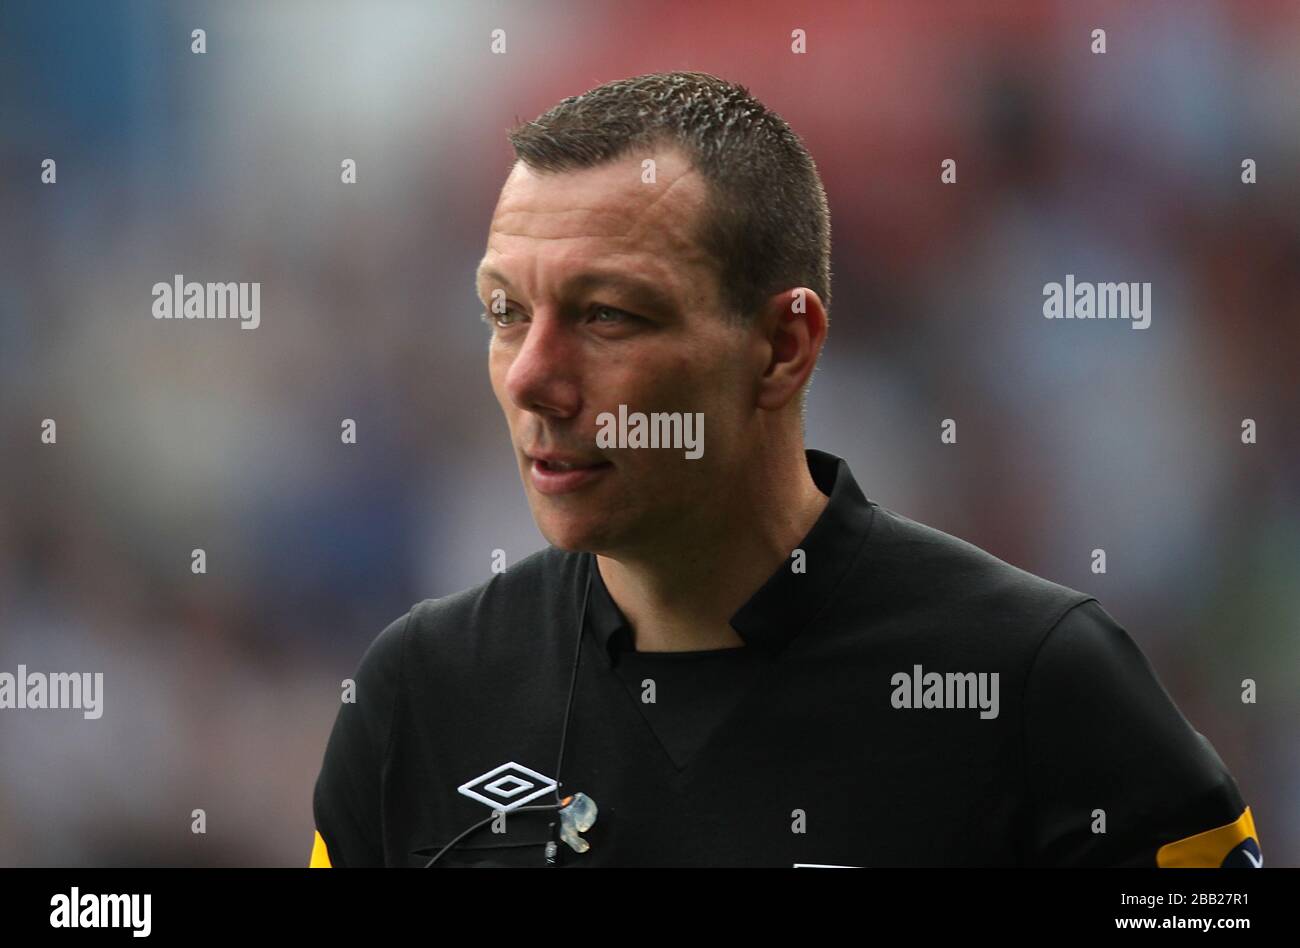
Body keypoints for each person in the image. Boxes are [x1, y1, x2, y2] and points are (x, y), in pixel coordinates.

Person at [310, 71, 1261, 868]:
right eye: (506, 312)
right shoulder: (419, 696)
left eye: (608, 315)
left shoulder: (1037, 684)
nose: (532, 379)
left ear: (783, 345)